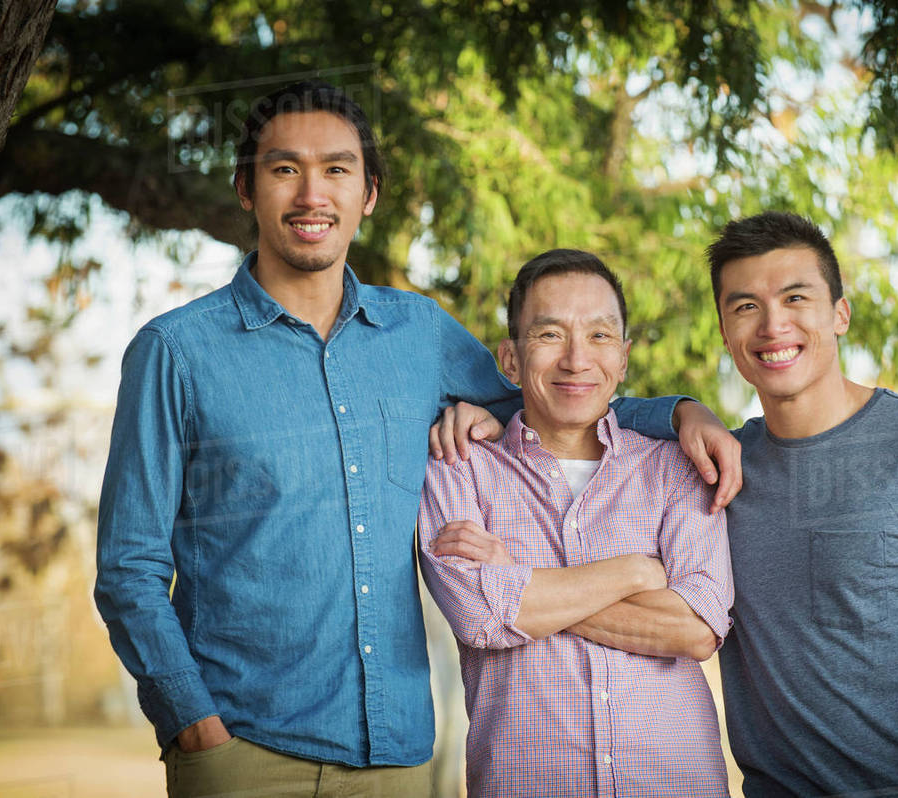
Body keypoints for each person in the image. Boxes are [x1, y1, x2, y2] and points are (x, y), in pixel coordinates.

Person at [93, 80, 740, 798]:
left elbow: (564, 392)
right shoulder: (176, 353)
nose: (313, 194)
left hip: (394, 755)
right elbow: (129, 567)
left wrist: (680, 413)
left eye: (338, 169)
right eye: (285, 169)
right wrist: (193, 722)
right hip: (243, 747)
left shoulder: (419, 333)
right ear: (246, 187)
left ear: (369, 193)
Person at [708, 211, 898, 797]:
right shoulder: (721, 467)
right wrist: (679, 408)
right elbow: (588, 408)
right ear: (725, 332)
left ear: (840, 314)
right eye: (745, 306)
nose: (773, 325)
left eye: (796, 297)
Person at [418, 249, 734, 797]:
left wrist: (518, 578)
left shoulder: (675, 467)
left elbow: (696, 630)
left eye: (599, 336)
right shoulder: (457, 465)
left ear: (625, 357)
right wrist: (637, 572)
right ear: (511, 360)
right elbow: (482, 617)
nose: (576, 360)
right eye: (549, 335)